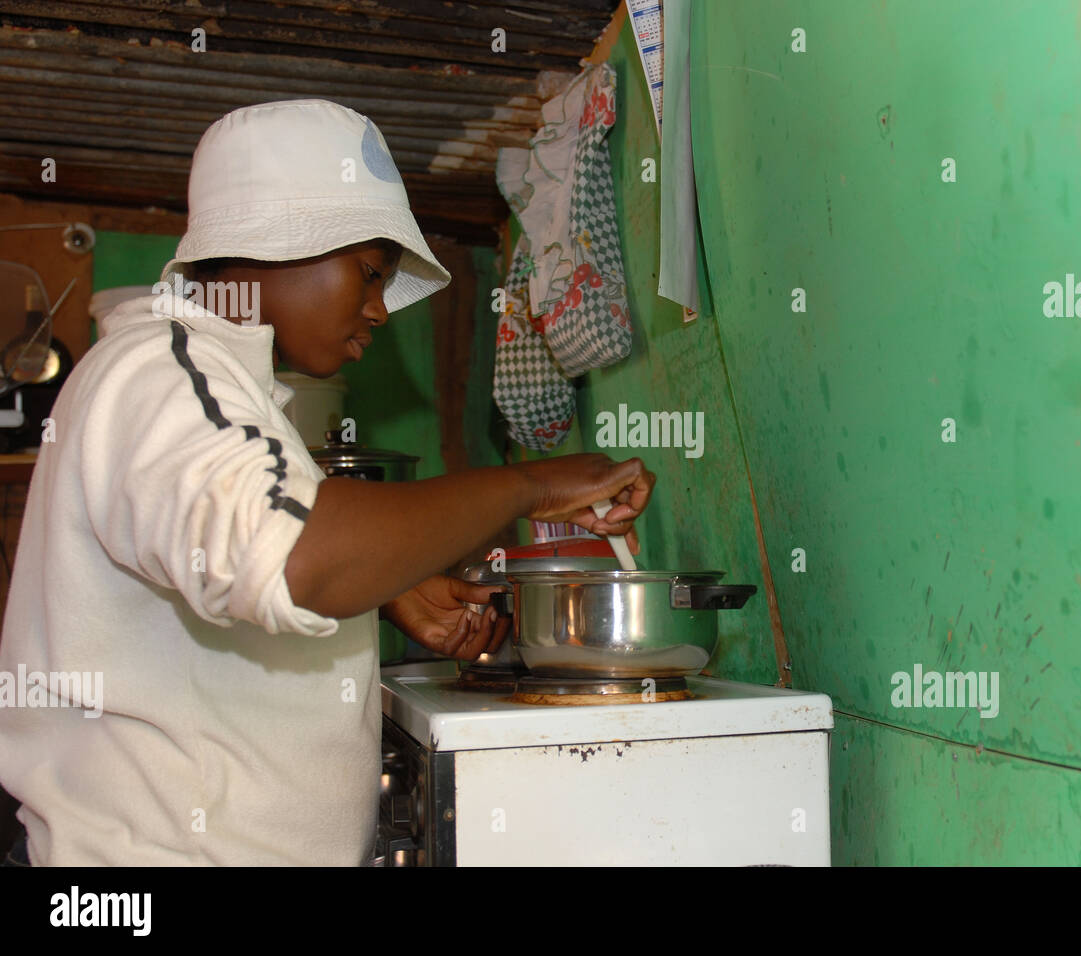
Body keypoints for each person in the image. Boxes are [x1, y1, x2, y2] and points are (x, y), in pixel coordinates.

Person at [0, 99, 654, 866]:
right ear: (272, 240)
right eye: (370, 274)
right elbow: (299, 555)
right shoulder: (163, 372)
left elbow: (236, 563)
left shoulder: (219, 389)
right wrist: (529, 487)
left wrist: (382, 589)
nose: (379, 310)